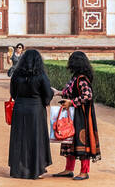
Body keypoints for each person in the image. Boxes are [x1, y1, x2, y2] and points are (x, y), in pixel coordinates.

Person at [52, 51, 101, 179]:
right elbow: (71, 92)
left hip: (81, 115)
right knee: (70, 141)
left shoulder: (82, 78)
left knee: (82, 142)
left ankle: (84, 171)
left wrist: (72, 102)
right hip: (73, 113)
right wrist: (59, 93)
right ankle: (68, 169)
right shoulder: (76, 77)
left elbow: (87, 96)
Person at [8, 48, 54, 179]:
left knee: (19, 139)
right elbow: (47, 94)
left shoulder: (16, 75)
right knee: (35, 139)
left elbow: (13, 93)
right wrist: (47, 98)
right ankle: (35, 169)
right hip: (35, 109)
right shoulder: (40, 75)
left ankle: (18, 170)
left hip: (20, 108)